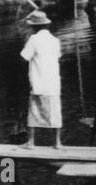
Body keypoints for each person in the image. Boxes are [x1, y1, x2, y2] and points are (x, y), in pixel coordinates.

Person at [19, 10, 63, 149]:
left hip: (39, 83)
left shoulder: (33, 39)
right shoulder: (55, 40)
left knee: (34, 112)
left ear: (34, 27)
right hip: (53, 83)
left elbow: (24, 57)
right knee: (55, 112)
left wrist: (26, 40)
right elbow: (57, 56)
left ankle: (31, 142)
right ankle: (57, 142)